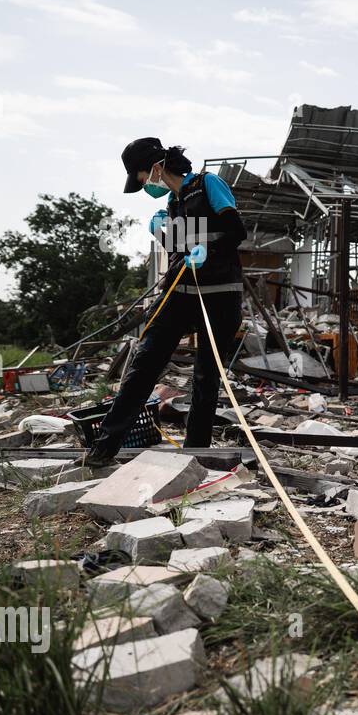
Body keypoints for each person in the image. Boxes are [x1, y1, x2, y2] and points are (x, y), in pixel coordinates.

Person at [85, 139, 247, 468]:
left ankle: (195, 453)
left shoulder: (207, 184)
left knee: (205, 375)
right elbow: (179, 246)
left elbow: (235, 230)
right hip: (180, 292)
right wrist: (167, 235)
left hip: (219, 294)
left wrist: (207, 252)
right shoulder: (171, 205)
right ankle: (104, 448)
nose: (145, 185)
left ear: (157, 168)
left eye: (143, 178)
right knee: (144, 364)